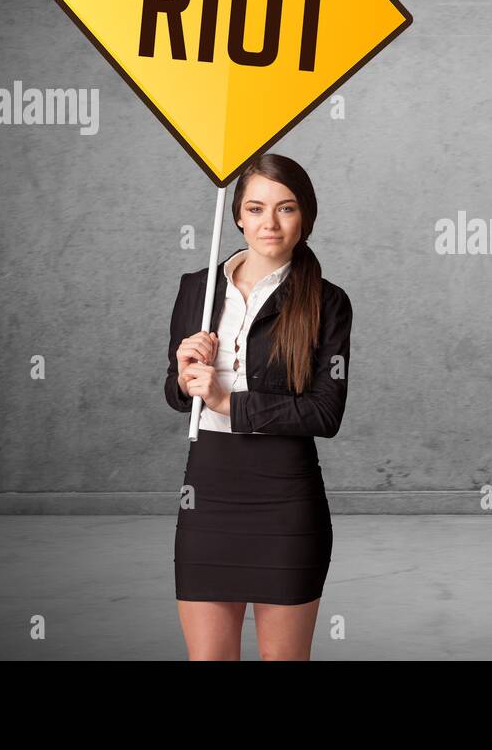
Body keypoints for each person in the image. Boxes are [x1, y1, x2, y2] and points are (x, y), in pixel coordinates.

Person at [164, 153, 352, 660]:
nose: (270, 223)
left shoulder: (328, 302)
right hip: (207, 492)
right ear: (238, 216)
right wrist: (184, 376)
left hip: (286, 497)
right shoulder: (197, 289)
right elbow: (175, 392)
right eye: (256, 208)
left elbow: (325, 413)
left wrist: (228, 400)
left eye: (286, 208)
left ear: (305, 217)